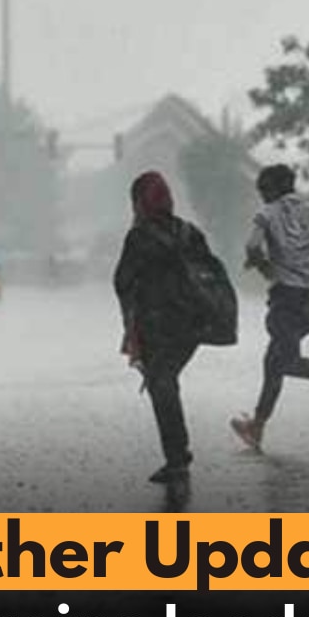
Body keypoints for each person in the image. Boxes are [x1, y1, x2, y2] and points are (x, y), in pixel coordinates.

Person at [230, 164, 309, 451]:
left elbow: (252, 247)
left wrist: (264, 268)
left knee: (283, 361)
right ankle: (257, 426)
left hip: (285, 300)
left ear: (273, 189)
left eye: (263, 191)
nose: (262, 197)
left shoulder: (267, 214)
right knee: (273, 362)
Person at [114, 171, 214, 482]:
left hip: (157, 326)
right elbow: (209, 273)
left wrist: (130, 323)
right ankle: (177, 457)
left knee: (162, 384)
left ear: (139, 202)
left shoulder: (139, 236)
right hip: (191, 325)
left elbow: (122, 281)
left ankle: (177, 460)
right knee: (165, 381)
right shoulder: (190, 232)